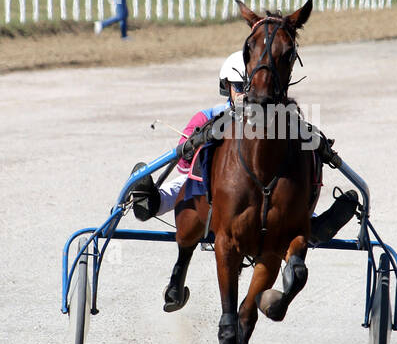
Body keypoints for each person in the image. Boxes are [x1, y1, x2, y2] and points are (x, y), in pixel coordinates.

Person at [126, 52, 359, 245]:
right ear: (226, 87)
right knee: (186, 185)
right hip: (210, 187)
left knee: (287, 193)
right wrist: (194, 146)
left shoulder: (280, 120)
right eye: (239, 86)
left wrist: (318, 145)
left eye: (252, 87)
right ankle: (150, 202)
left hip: (262, 190)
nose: (246, 94)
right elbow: (185, 166)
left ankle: (314, 226)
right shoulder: (207, 118)